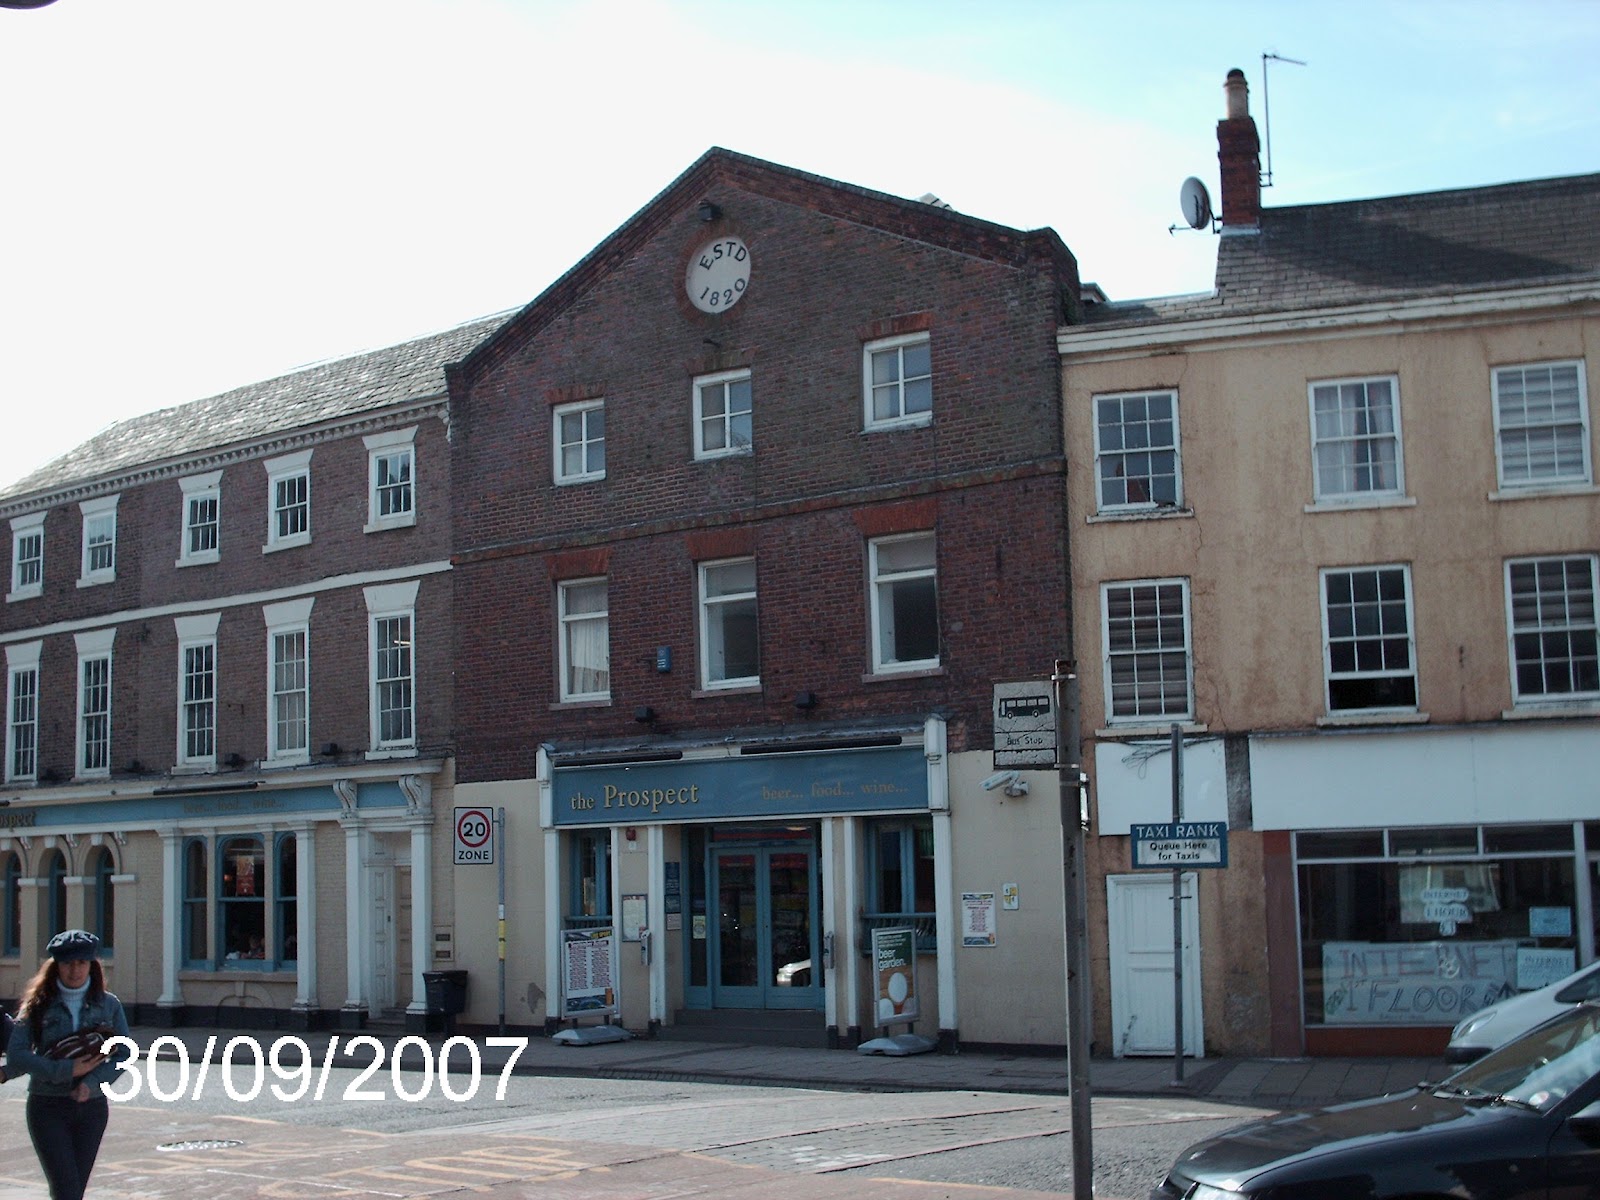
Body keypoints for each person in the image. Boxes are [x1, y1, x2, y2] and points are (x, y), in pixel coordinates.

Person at [5, 930, 130, 1200]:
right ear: (56, 966)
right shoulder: (38, 1005)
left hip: (92, 1109)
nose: (75, 970)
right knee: (66, 1190)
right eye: (67, 964)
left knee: (74, 1190)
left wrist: (92, 1082)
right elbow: (18, 1054)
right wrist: (66, 1071)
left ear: (92, 966)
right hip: (47, 1106)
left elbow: (125, 1054)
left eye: (82, 963)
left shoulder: (108, 1005)